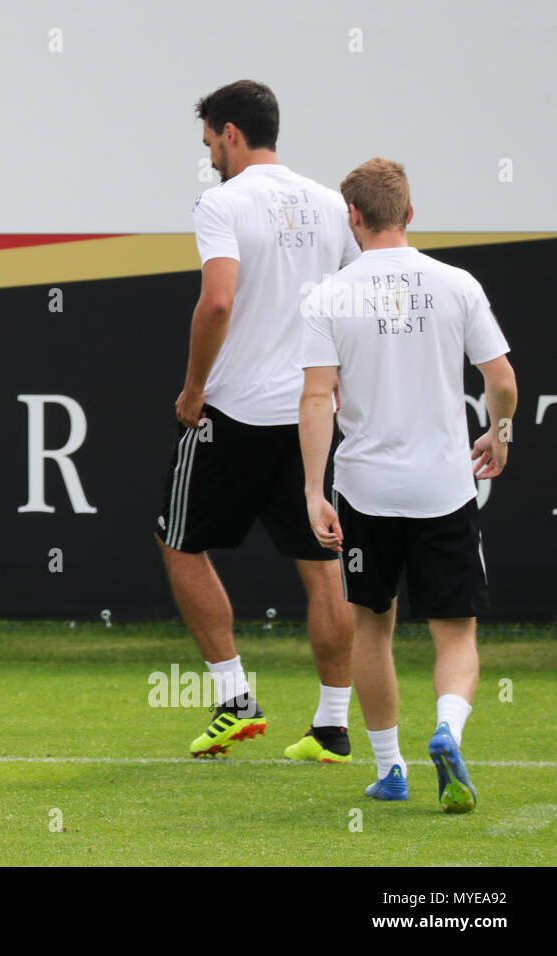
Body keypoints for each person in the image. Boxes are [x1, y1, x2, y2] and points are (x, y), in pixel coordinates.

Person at [300, 157, 515, 811]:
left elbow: (316, 399)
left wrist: (313, 491)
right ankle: (447, 730)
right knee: (455, 632)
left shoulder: (328, 294)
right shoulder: (456, 284)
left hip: (367, 490)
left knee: (372, 627)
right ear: (410, 214)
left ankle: (392, 770)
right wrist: (499, 435)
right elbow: (502, 382)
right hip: (442, 489)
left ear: (353, 218)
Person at [155, 80, 359, 760]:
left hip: (236, 409)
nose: (210, 153)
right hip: (311, 415)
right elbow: (356, 303)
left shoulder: (221, 201)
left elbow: (216, 304)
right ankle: (331, 726)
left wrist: (193, 388)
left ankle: (235, 697)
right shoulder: (333, 205)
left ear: (232, 133)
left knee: (179, 542)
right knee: (321, 565)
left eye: (211, 140)